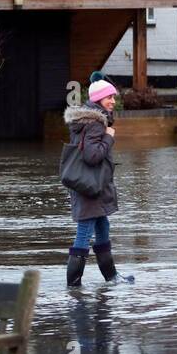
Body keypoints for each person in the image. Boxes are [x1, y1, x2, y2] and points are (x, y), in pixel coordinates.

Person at [64, 79, 131, 287]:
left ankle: (111, 277)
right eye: (109, 97)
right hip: (90, 189)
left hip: (92, 187)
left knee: (103, 226)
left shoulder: (87, 120)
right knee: (84, 234)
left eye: (113, 97)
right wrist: (109, 137)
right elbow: (92, 156)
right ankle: (74, 285)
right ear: (98, 99)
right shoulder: (95, 123)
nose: (113, 101)